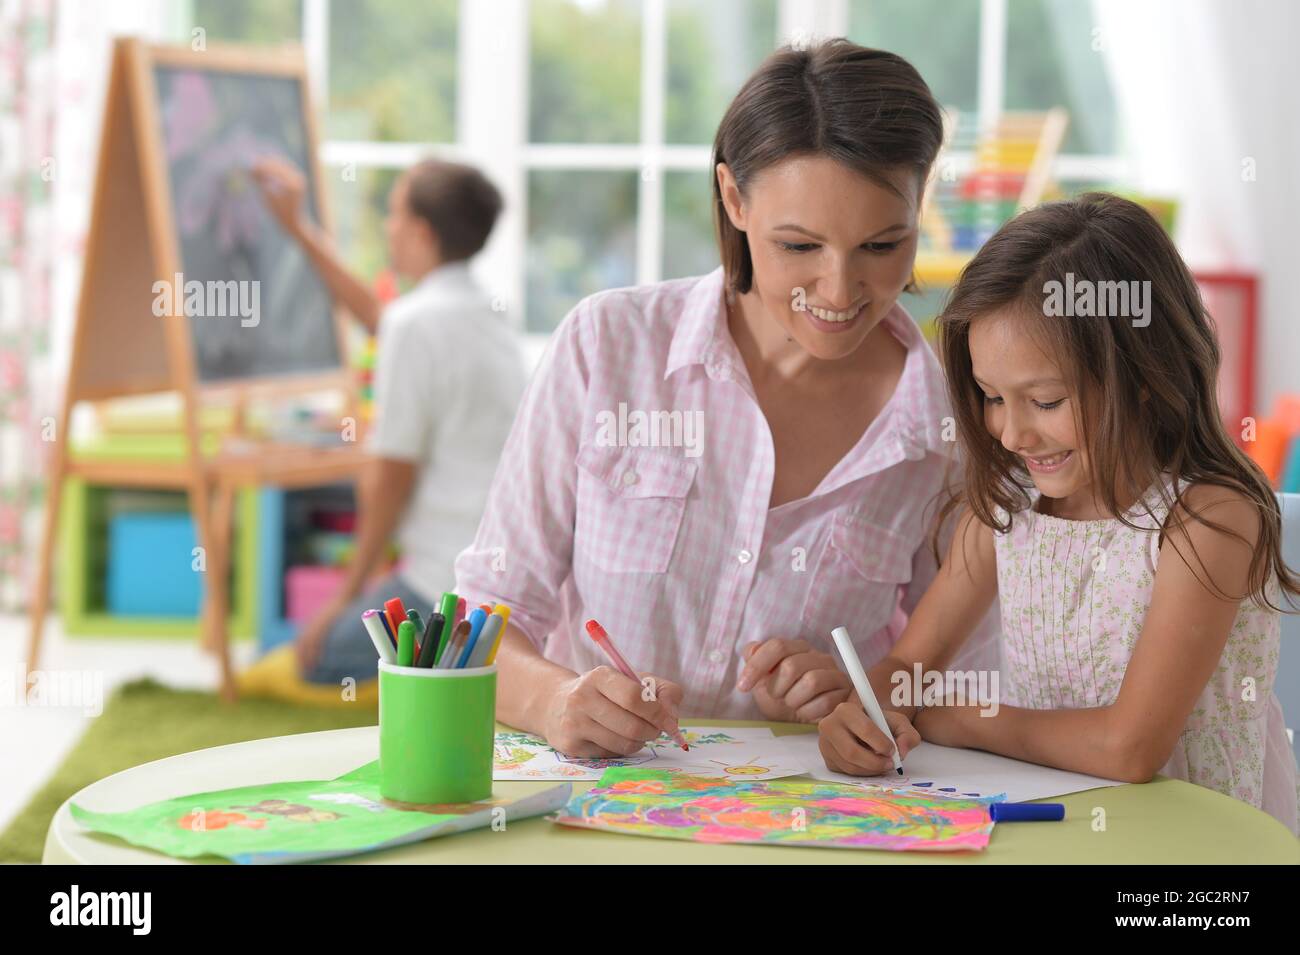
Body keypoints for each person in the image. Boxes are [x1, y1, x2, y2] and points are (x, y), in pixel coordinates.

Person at [453, 39, 999, 758]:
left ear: (918, 208)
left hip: (813, 822)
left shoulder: (949, 430)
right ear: (734, 199)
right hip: (596, 810)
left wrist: (854, 697)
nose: (837, 291)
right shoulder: (608, 346)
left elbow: (962, 681)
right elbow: (480, 621)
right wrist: (554, 699)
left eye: (880, 246)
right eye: (800, 247)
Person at [817, 193, 1300, 834]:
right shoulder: (1010, 508)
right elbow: (910, 664)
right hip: (1068, 827)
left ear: (1147, 372)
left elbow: (1128, 749)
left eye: (1045, 401)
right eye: (991, 397)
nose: (1012, 434)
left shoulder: (1208, 520)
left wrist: (949, 716)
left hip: (1195, 844)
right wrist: (864, 713)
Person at [252, 156, 525, 683]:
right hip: (496, 579)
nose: (387, 226)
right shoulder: (486, 312)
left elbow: (391, 482)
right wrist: (299, 229)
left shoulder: (415, 323)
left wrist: (343, 597)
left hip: (443, 588)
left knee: (319, 656)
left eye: (395, 213)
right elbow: (385, 322)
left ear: (421, 232)